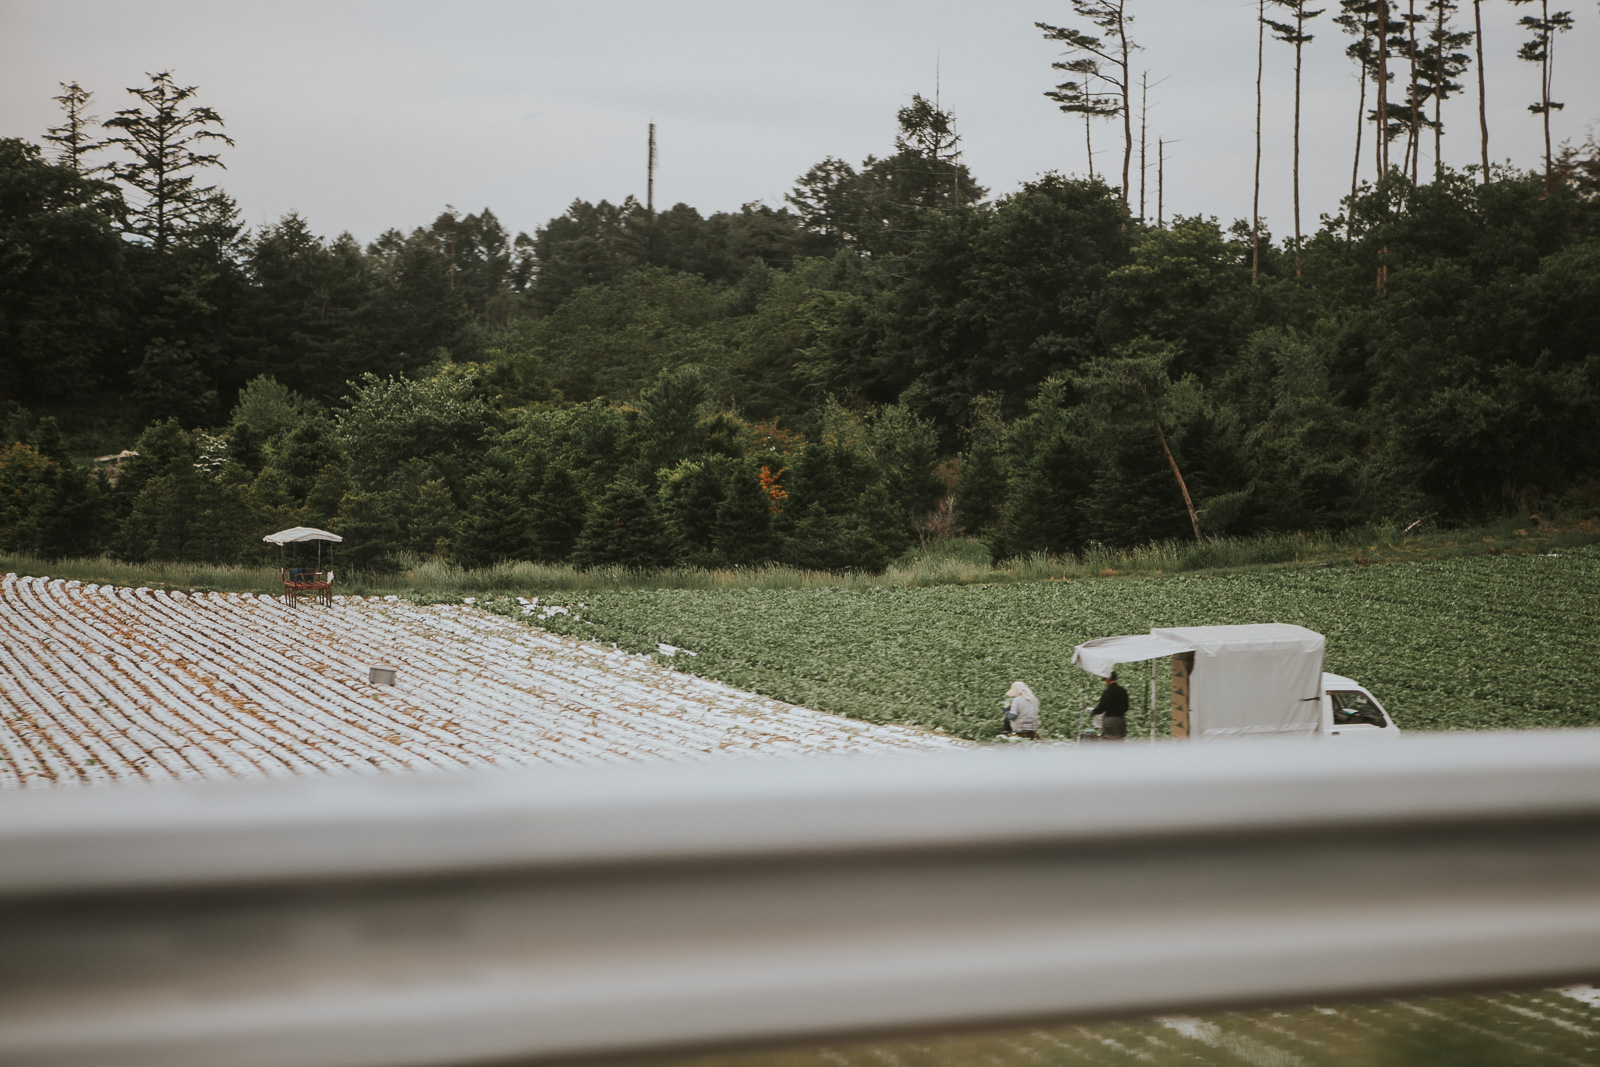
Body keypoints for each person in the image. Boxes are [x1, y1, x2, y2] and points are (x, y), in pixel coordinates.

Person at [1091, 672, 1129, 741]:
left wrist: (1094, 711)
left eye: (1105, 680)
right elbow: (1126, 707)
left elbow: (1101, 709)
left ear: (1108, 679)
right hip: (1121, 720)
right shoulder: (1123, 691)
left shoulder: (1107, 692)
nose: (1105, 682)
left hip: (1110, 721)